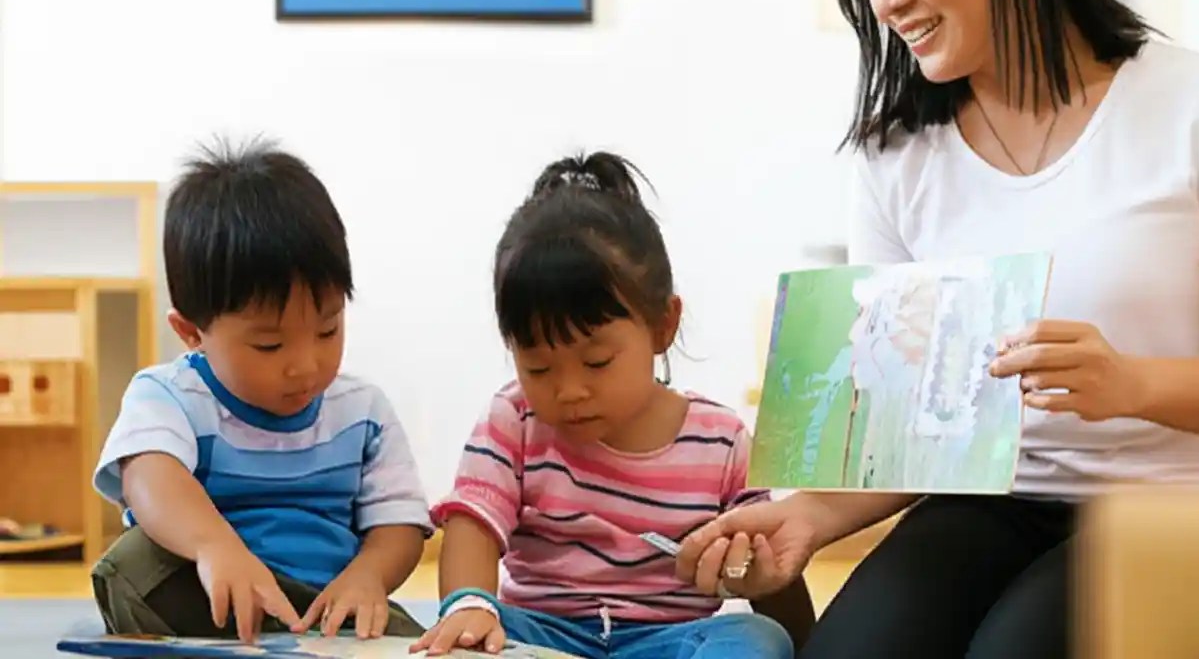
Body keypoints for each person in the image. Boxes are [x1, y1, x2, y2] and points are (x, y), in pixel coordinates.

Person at [676, 0, 1199, 657]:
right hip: (989, 510)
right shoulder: (893, 156)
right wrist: (806, 518)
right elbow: (906, 435)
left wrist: (1133, 383)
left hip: (1180, 511)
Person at [410, 152, 805, 658]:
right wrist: (470, 605)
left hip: (668, 641)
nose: (569, 391)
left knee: (757, 639)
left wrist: (747, 567)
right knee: (462, 638)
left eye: (596, 362)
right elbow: (473, 521)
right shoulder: (515, 421)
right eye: (538, 368)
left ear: (663, 326)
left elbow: (768, 555)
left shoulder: (721, 439)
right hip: (540, 633)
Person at [90, 138, 433, 643]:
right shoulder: (169, 396)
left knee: (421, 641)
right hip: (213, 599)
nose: (306, 365)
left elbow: (400, 523)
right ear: (191, 332)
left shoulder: (363, 411)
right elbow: (149, 478)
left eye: (328, 329)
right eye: (270, 345)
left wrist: (368, 577)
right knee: (129, 567)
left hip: (324, 603)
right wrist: (215, 548)